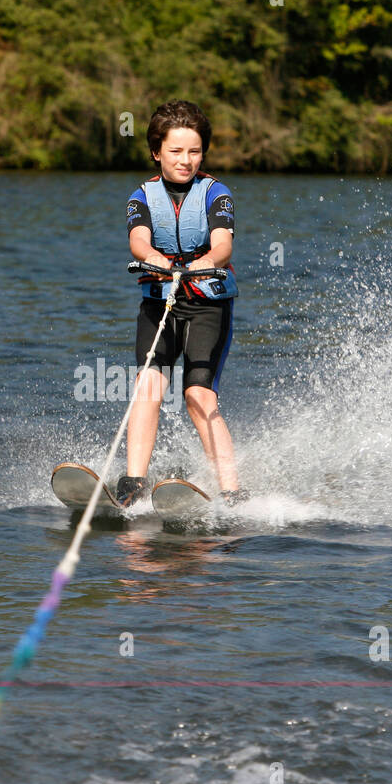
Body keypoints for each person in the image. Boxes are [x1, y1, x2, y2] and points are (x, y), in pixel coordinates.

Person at [117, 100, 247, 508]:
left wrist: (203, 264)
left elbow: (223, 245)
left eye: (194, 151)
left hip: (207, 307)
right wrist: (155, 259)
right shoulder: (141, 196)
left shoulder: (216, 194)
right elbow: (138, 239)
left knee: (198, 396)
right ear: (157, 151)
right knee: (148, 385)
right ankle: (133, 483)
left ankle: (231, 492)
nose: (186, 160)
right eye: (175, 151)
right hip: (160, 306)